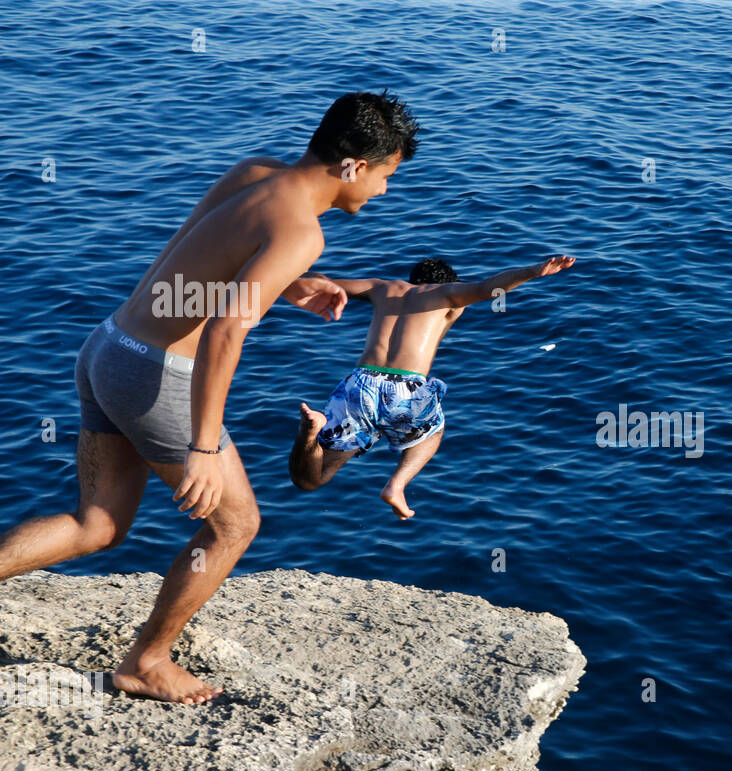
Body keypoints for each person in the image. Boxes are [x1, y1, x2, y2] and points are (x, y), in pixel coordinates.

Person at [0, 91, 419, 703]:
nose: (383, 192)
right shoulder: (302, 232)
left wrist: (287, 285)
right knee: (236, 523)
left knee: (98, 523)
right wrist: (202, 444)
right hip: (155, 376)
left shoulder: (256, 173)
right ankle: (146, 661)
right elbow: (225, 329)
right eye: (386, 176)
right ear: (355, 166)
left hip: (109, 346)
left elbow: (190, 259)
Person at [289, 253, 576, 518]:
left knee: (310, 479)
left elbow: (322, 283)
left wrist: (300, 273)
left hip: (359, 384)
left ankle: (309, 431)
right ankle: (396, 486)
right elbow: (489, 286)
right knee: (433, 432)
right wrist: (533, 271)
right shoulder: (449, 293)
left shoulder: (382, 288)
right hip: (405, 388)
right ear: (449, 282)